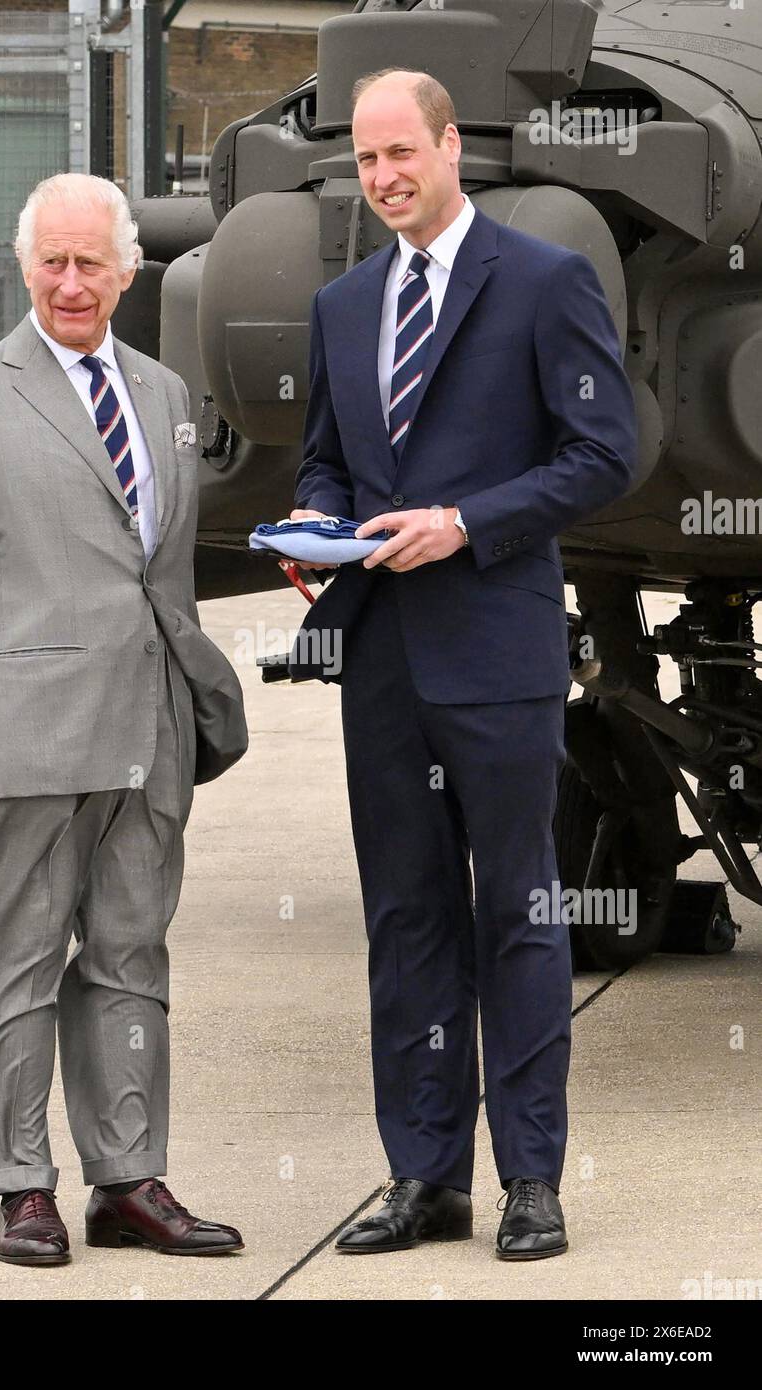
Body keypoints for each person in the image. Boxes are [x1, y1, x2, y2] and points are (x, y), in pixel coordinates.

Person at [290, 69, 636, 1259]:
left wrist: (466, 521)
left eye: (402, 153)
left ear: (450, 147)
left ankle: (531, 1178)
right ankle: (425, 1173)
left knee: (521, 912)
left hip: (496, 652)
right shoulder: (342, 306)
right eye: (366, 160)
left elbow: (604, 453)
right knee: (408, 920)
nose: (382, 177)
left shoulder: (545, 282)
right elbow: (327, 462)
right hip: (383, 661)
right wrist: (315, 529)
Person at [0, 172, 248, 1265]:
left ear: (127, 270)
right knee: (17, 959)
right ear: (24, 268)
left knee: (132, 957)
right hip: (31, 734)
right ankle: (18, 1185)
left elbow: (166, 570)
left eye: (91, 262)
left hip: (150, 736)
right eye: (51, 260)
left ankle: (129, 1177)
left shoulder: (165, 397)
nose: (70, 281)